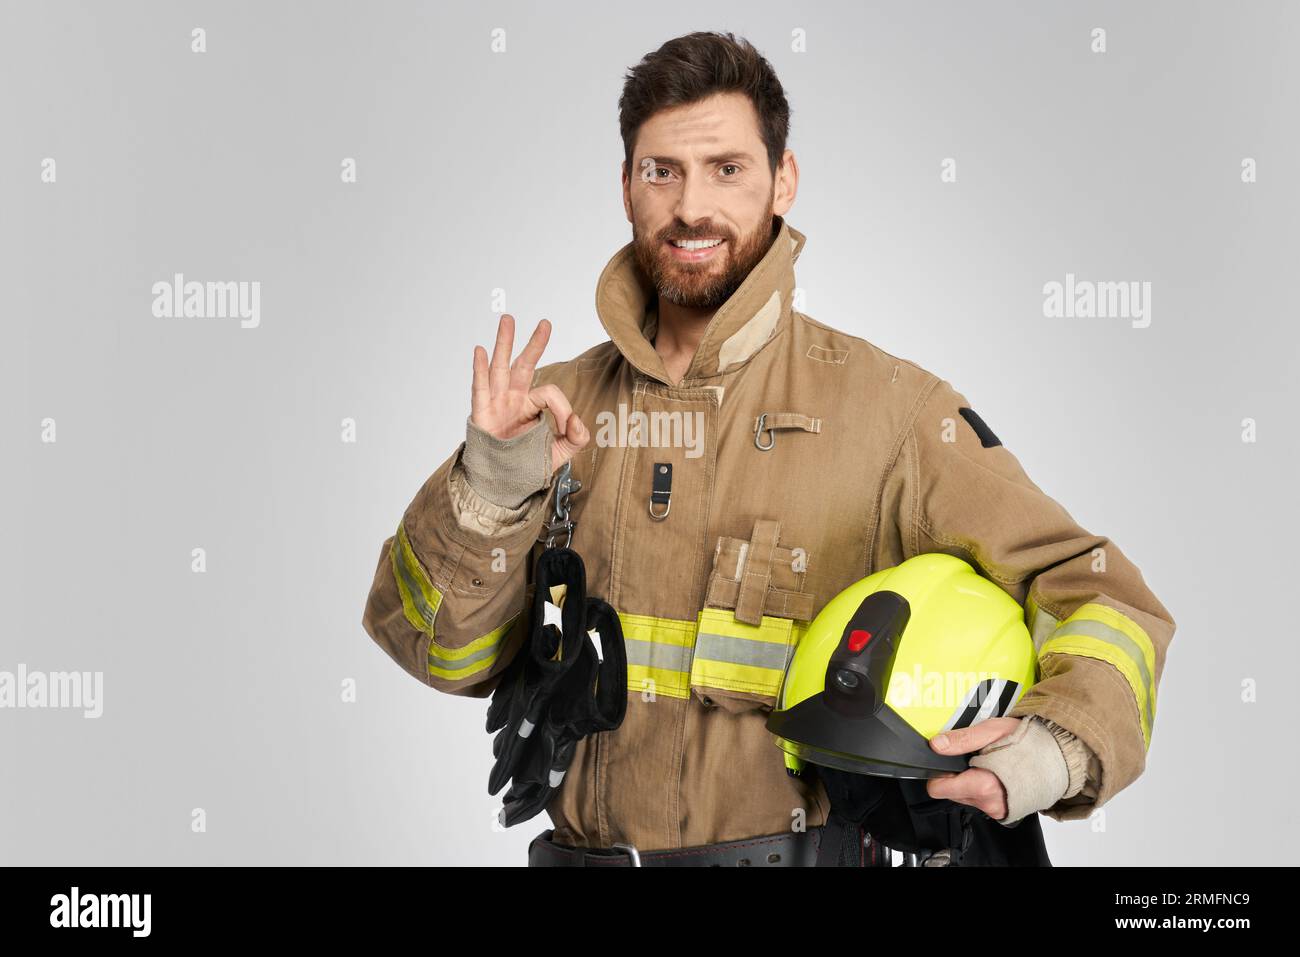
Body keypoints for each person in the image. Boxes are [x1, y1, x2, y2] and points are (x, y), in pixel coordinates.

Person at [362, 31, 1175, 866]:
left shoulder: (893, 415)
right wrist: (490, 491)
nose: (690, 208)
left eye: (727, 168)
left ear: (783, 180)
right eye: (661, 171)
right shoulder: (552, 408)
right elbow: (439, 654)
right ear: (625, 187)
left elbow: (1107, 600)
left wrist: (1054, 749)